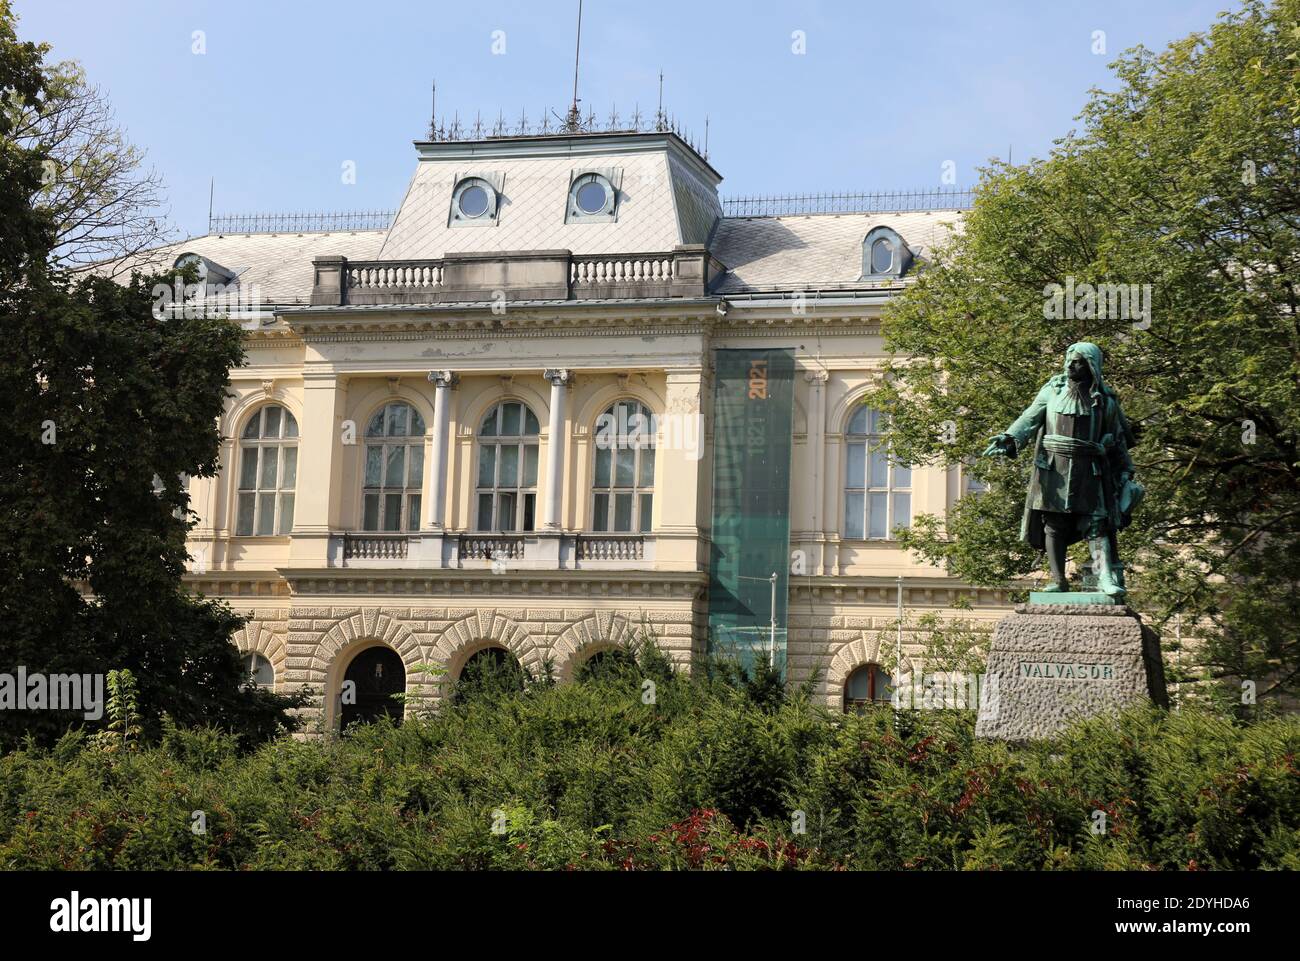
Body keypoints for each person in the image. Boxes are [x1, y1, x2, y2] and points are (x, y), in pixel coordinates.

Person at [982, 342, 1141, 598]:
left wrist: (1125, 469)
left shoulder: (1105, 402)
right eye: (1068, 360)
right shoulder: (1052, 392)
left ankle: (1105, 576)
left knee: (1096, 525)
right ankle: (1058, 580)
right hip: (1054, 469)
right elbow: (1029, 418)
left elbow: (1118, 440)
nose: (1070, 365)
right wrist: (1010, 438)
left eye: (1077, 361)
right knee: (1053, 526)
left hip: (1090, 469)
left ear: (1091, 366)